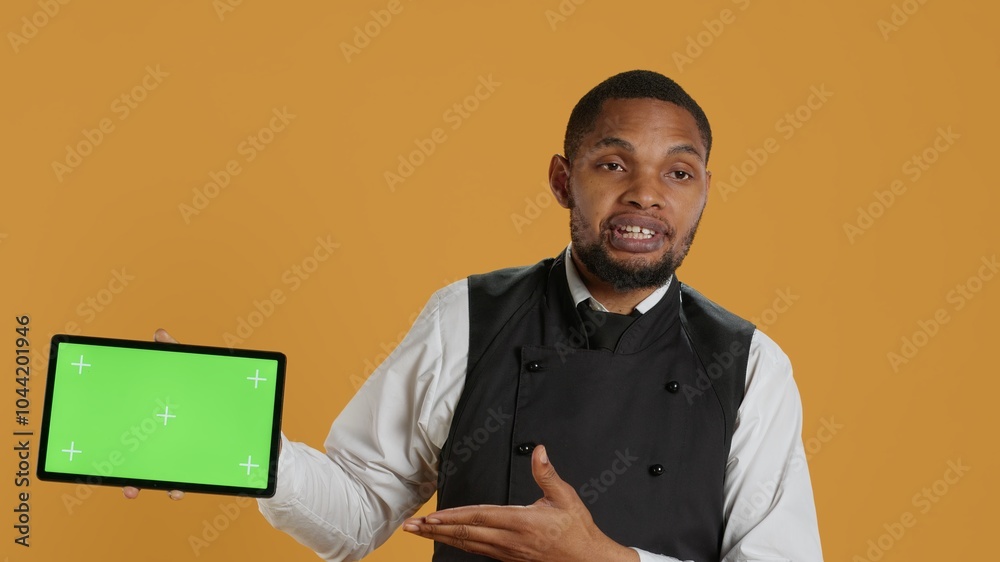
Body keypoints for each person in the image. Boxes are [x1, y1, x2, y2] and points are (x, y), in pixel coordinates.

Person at [128, 70, 823, 561]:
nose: (646, 194)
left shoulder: (749, 365)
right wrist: (242, 443)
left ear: (703, 192)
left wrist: (603, 560)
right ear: (563, 180)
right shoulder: (467, 318)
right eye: (614, 165)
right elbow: (356, 511)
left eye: (679, 172)